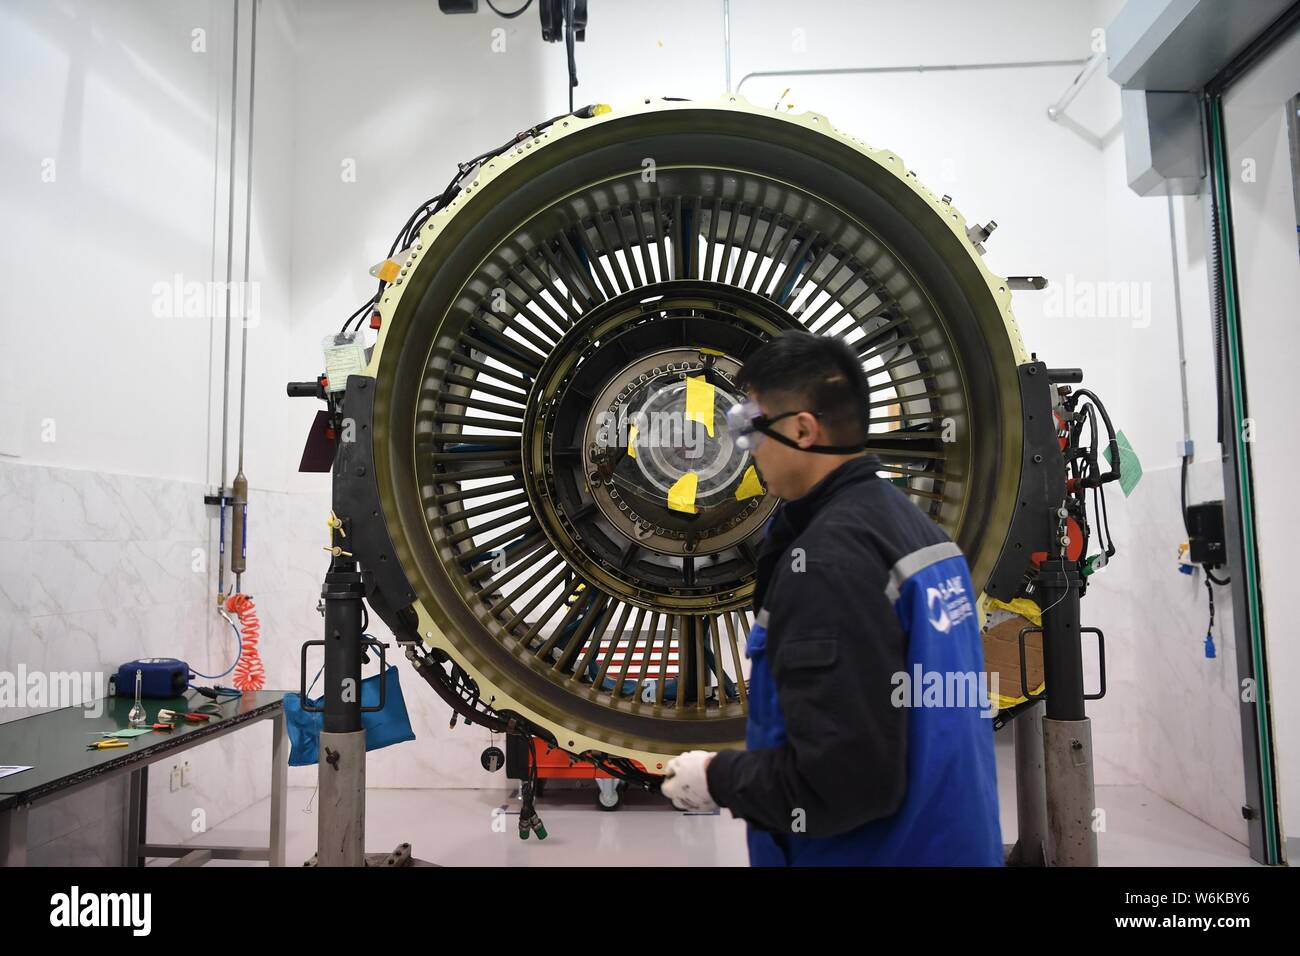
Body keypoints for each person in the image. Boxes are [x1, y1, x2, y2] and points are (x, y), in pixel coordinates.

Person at [660, 330, 1002, 866]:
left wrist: (715, 777)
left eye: (754, 432)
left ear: (802, 430)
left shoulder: (829, 562)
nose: (748, 452)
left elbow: (843, 783)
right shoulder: (915, 531)